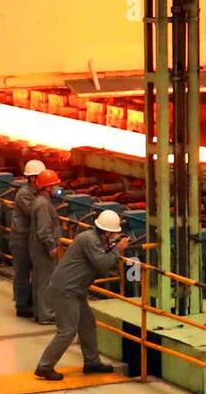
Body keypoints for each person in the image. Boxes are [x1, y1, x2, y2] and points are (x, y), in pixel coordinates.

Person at [34, 208, 130, 380]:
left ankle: (92, 362)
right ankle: (45, 366)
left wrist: (113, 247)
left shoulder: (94, 239)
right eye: (114, 233)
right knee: (67, 331)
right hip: (66, 290)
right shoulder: (89, 240)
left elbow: (101, 256)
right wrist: (118, 250)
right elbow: (102, 263)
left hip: (75, 290)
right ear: (108, 232)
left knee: (87, 325)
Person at [29, 169, 64, 326]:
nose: (58, 188)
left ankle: (39, 313)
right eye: (55, 185)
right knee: (45, 281)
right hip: (43, 250)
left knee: (39, 280)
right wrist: (51, 246)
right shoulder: (43, 205)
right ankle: (46, 315)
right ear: (48, 188)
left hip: (37, 248)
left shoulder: (41, 202)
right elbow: (43, 230)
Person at [10, 160, 45, 318]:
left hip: (33, 239)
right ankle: (22, 306)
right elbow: (35, 212)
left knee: (37, 271)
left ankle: (32, 300)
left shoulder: (39, 193)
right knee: (23, 273)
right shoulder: (24, 194)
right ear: (32, 178)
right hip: (21, 239)